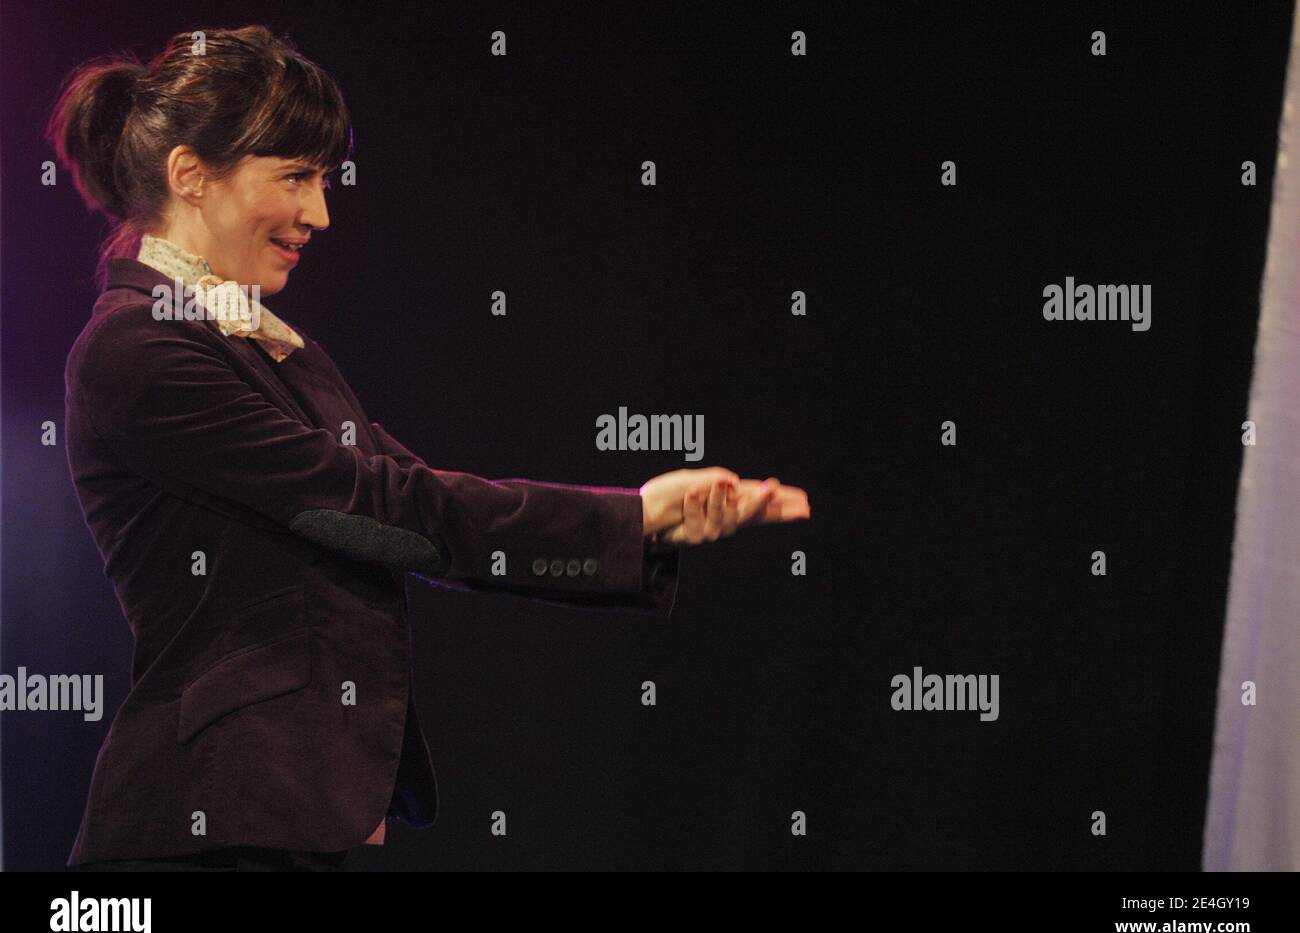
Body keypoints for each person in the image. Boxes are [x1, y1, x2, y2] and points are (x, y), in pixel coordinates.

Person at [47, 25, 810, 872]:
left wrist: (637, 521)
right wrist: (626, 523)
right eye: (296, 177)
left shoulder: (254, 340)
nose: (321, 213)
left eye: (325, 179)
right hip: (203, 828)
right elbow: (379, 509)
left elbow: (412, 491)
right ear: (191, 175)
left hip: (271, 824)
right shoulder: (140, 349)